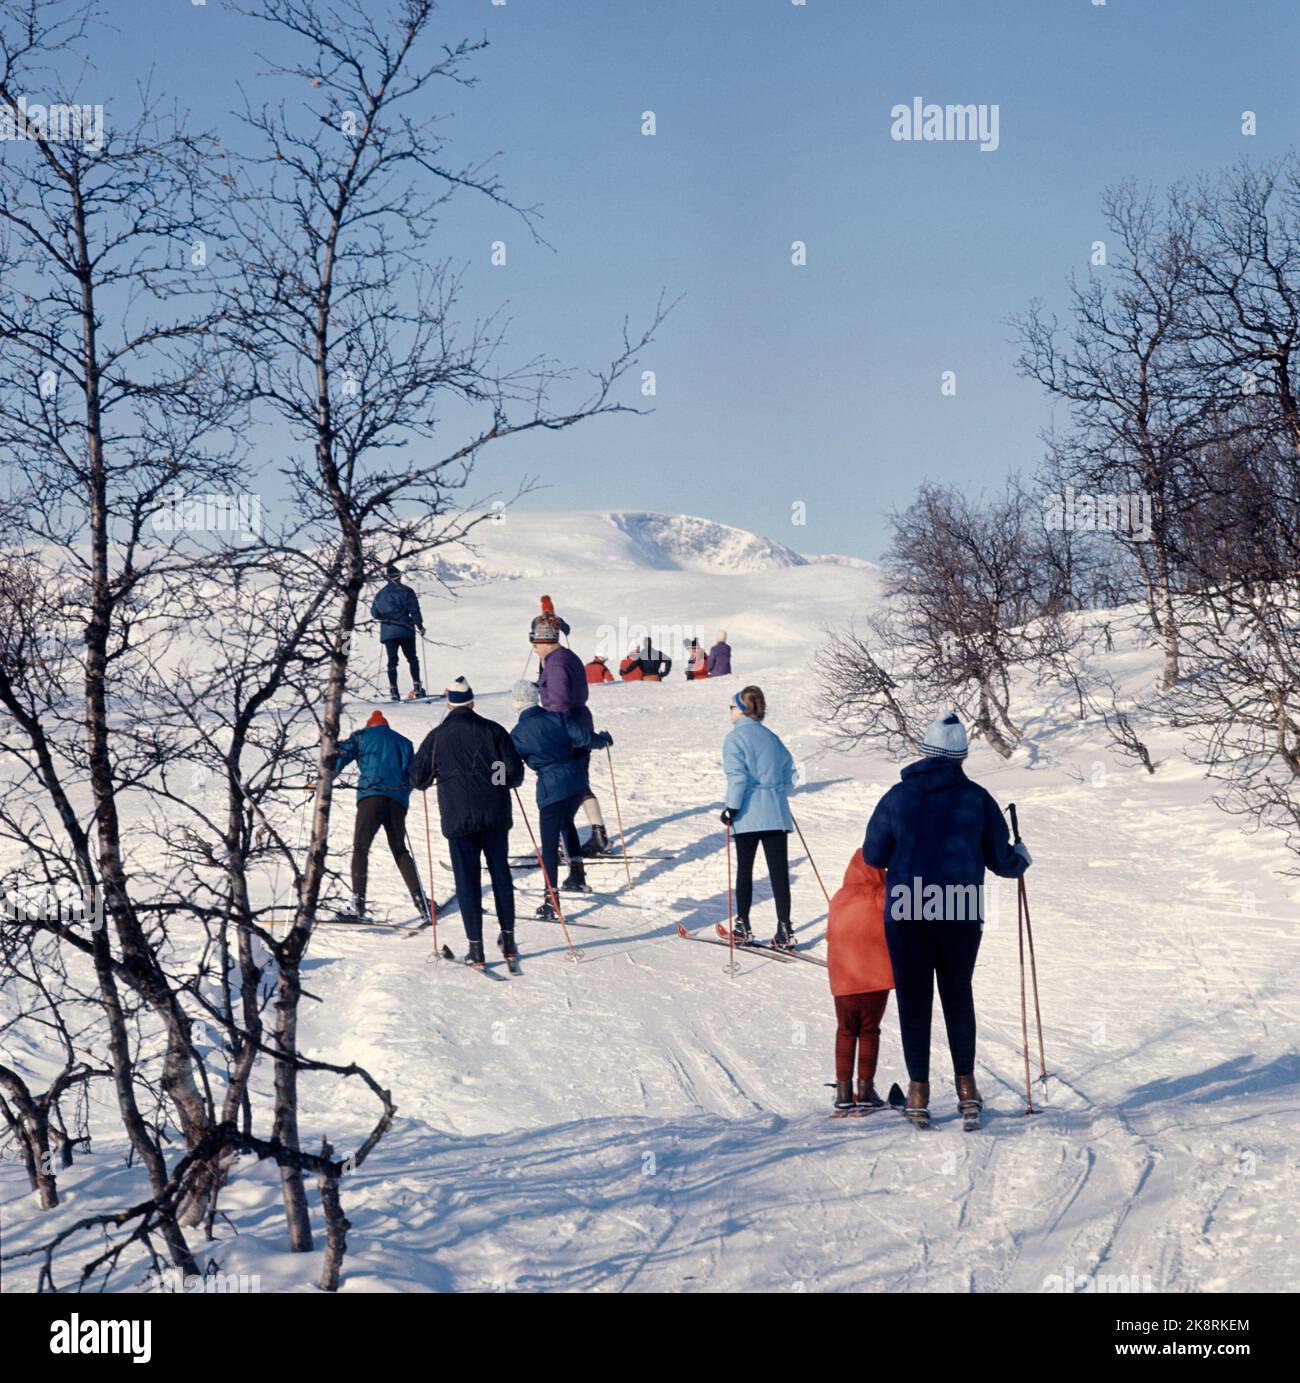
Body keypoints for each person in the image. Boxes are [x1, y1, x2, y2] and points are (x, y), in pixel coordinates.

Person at [862, 712, 1032, 1127]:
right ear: (959, 756)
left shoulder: (898, 798)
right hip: (959, 909)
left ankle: (918, 1093)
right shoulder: (976, 798)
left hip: (908, 909)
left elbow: (873, 855)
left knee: (914, 999)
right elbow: (1003, 861)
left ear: (925, 750)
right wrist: (1020, 856)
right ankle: (967, 1091)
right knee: (958, 995)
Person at [410, 677, 525, 965]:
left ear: (449, 703)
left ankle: (476, 947)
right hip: (495, 815)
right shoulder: (493, 730)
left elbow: (419, 779)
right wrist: (494, 777)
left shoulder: (437, 737)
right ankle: (508, 939)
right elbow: (512, 774)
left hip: (459, 819)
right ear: (472, 702)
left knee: (467, 880)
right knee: (500, 873)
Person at [509, 681, 613, 917]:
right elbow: (585, 739)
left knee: (548, 842)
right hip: (576, 783)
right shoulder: (557, 717)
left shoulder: (517, 733)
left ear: (517, 704)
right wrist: (604, 740)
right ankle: (576, 875)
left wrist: (499, 781)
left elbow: (511, 766)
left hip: (550, 788)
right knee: (567, 823)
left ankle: (551, 900)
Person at [317, 709, 427, 924]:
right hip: (396, 802)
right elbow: (413, 776)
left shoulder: (362, 737)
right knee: (399, 849)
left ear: (370, 725)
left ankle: (358, 906)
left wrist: (324, 779)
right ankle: (421, 902)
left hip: (371, 798)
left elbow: (340, 757)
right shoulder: (403, 742)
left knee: (360, 849)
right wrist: (402, 793)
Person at [720, 685, 797, 948]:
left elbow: (738, 776)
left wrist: (731, 807)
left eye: (731, 707)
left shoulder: (734, 739)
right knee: (779, 874)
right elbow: (789, 769)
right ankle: (785, 929)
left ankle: (743, 925)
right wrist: (779, 791)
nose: (729, 712)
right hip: (776, 812)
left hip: (749, 813)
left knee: (745, 871)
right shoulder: (771, 737)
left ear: (741, 711)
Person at [530, 615, 613, 856]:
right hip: (578, 726)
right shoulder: (566, 657)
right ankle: (598, 835)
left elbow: (558, 705)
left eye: (535, 644)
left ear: (544, 640)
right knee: (578, 783)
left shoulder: (555, 664)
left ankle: (554, 845)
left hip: (566, 733)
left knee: (556, 789)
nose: (534, 650)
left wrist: (551, 734)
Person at [826, 849, 894, 1112]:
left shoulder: (837, 899)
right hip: (874, 981)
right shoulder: (881, 895)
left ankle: (843, 1093)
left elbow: (830, 936)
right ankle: (865, 1090)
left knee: (845, 1031)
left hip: (843, 981)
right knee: (869, 1031)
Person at [371, 563, 426, 702]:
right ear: (399, 576)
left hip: (388, 631)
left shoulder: (379, 594)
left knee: (392, 661)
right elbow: (414, 610)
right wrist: (420, 626)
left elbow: (374, 613)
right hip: (406, 629)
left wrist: (386, 618)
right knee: (412, 658)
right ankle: (417, 687)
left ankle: (394, 690)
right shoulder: (407, 591)